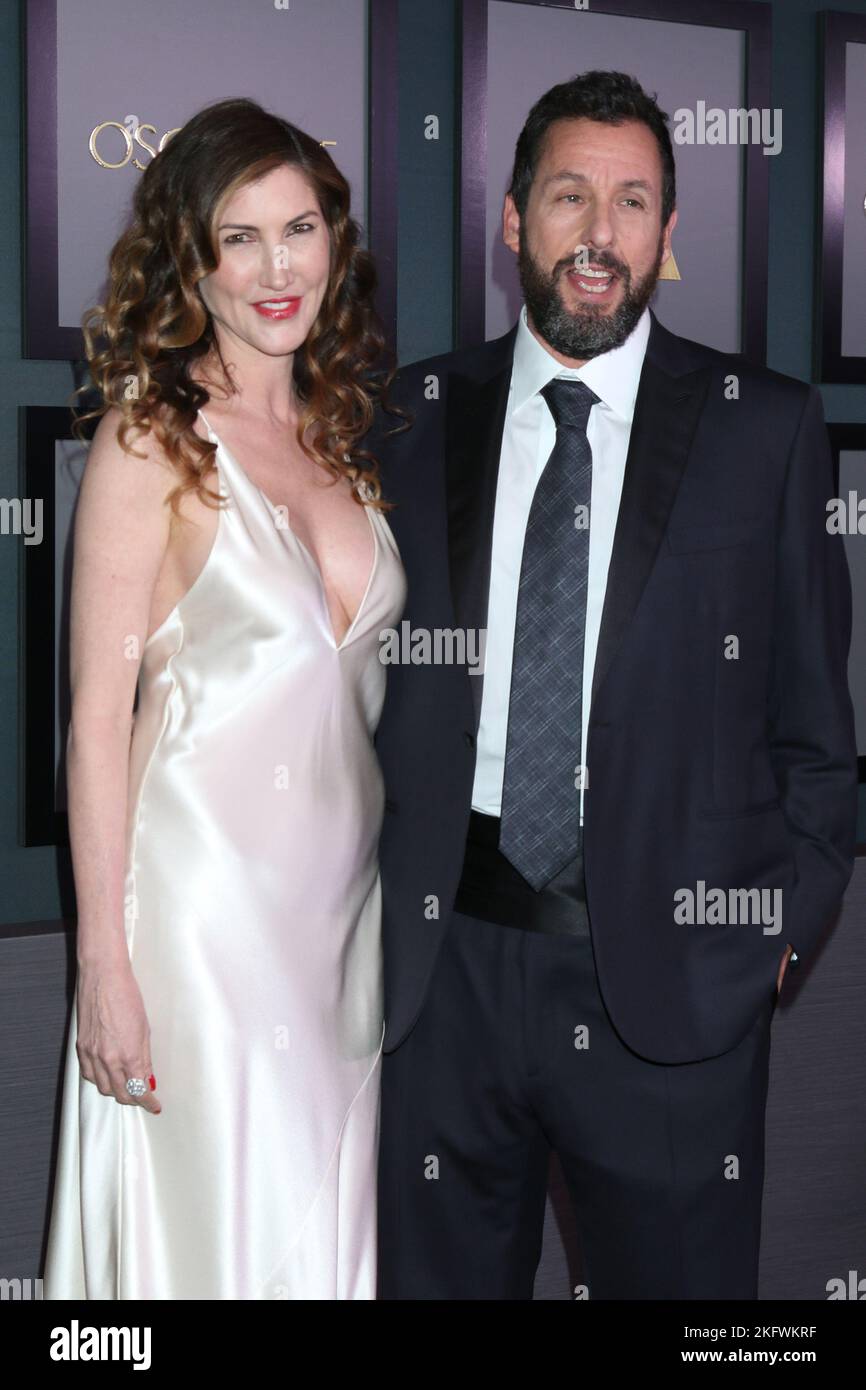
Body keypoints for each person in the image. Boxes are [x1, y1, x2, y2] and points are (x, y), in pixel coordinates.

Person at [371, 70, 858, 1299]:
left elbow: (814, 732)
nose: (598, 233)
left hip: (676, 990)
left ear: (667, 233)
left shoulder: (765, 429)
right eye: (568, 195)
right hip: (444, 985)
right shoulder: (402, 418)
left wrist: (775, 940)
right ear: (510, 219)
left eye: (632, 201)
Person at [43, 98, 407, 1300]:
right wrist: (105, 964)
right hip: (197, 932)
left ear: (333, 240)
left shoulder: (344, 431)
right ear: (189, 259)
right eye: (237, 237)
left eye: (296, 227)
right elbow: (96, 716)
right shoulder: (150, 440)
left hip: (338, 931)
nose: (275, 267)